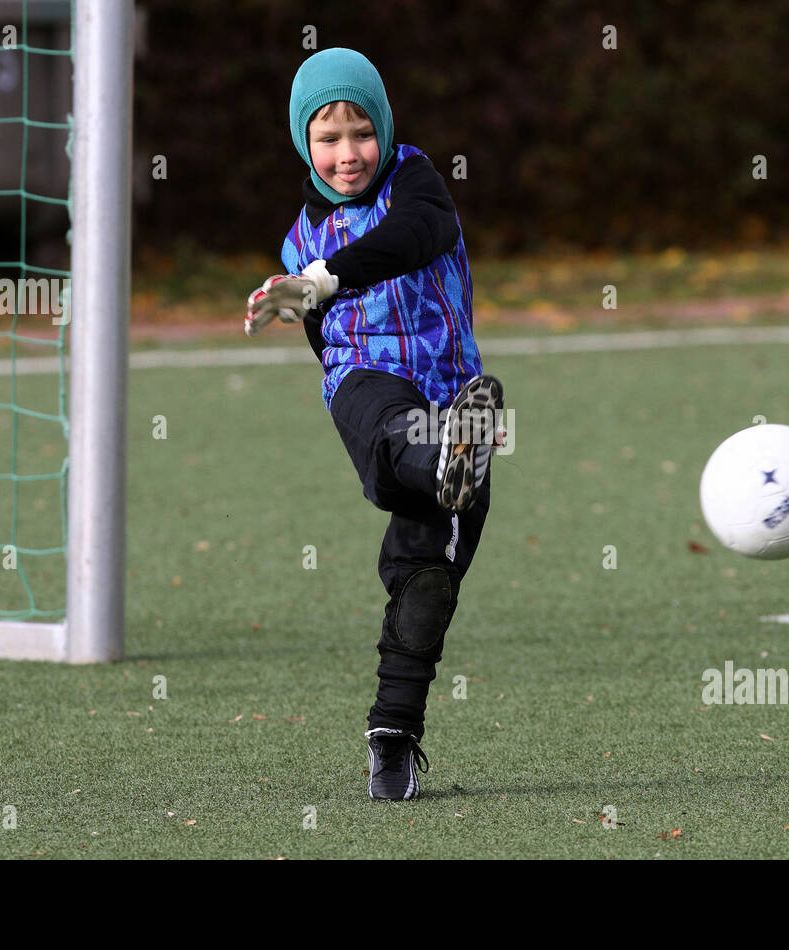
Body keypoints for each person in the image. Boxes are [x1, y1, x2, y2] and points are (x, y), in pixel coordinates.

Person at [245, 47, 505, 801]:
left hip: (454, 393)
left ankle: (392, 738)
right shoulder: (300, 239)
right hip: (364, 383)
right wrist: (298, 299)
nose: (349, 153)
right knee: (393, 427)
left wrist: (326, 279)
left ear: (384, 129)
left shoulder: (415, 181)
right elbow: (321, 338)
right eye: (328, 138)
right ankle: (447, 455)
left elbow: (419, 234)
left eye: (362, 132)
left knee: (427, 579)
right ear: (304, 142)